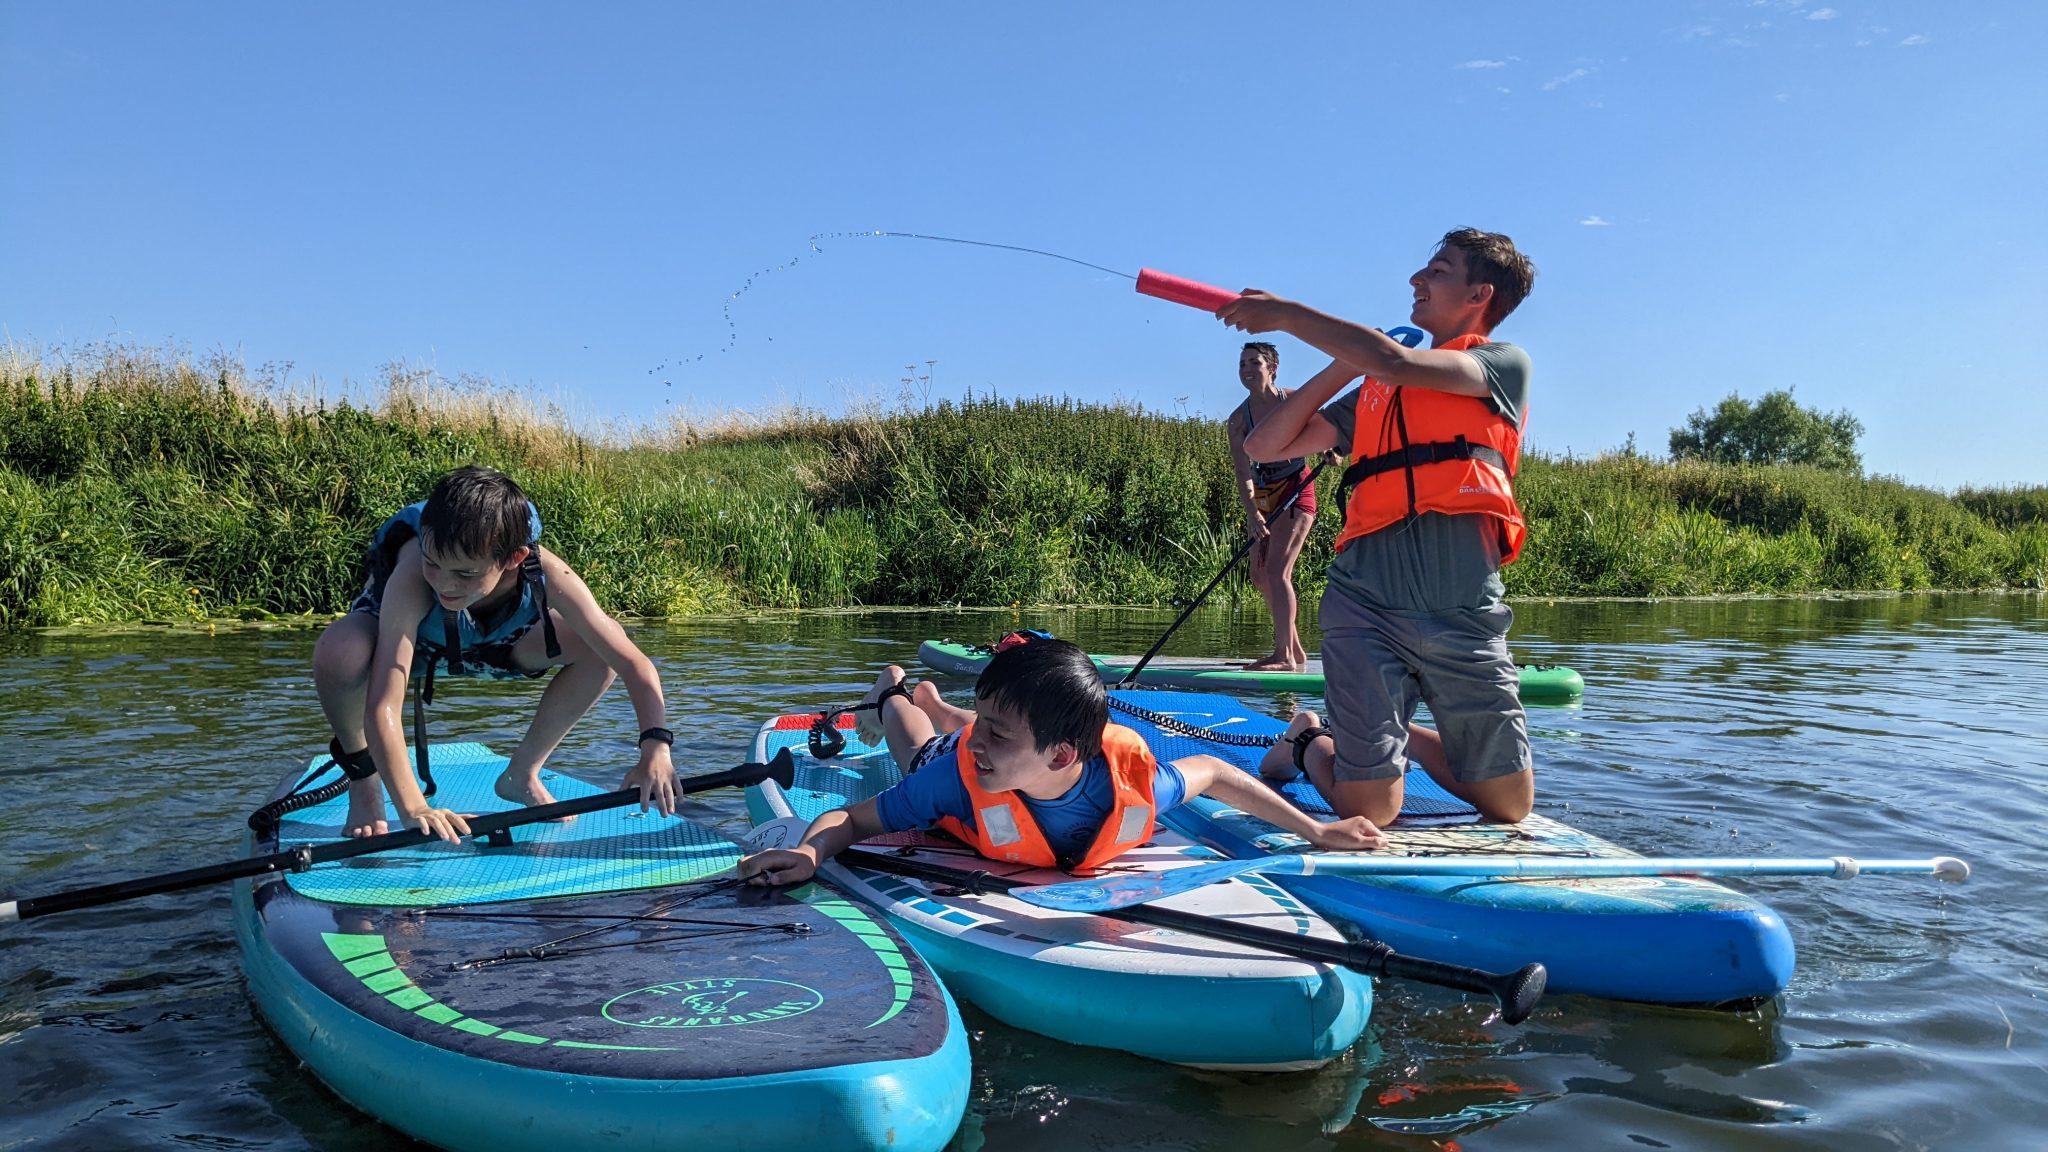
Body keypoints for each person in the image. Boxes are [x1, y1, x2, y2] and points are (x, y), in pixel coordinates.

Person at [1219, 228, 1538, 826]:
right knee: (1371, 810)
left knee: (1509, 805)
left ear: (1479, 295)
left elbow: (1396, 359)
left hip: (1463, 606)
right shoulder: (1376, 390)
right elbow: (1266, 444)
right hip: (1366, 600)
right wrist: (1344, 366)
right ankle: (1311, 741)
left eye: (1437, 271)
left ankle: (1396, 737)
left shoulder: (1502, 364)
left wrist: (1287, 315)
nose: (1416, 280)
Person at [736, 639, 1384, 887]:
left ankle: (944, 706)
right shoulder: (956, 780)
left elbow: (1215, 774)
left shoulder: (1129, 786)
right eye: (986, 724)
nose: (983, 747)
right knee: (911, 742)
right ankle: (899, 693)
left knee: (976, 735)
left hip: (1026, 761)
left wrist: (1318, 831)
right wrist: (812, 853)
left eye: (998, 730)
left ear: (1065, 754)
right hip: (934, 758)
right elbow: (851, 817)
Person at [310, 465, 677, 842]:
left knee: (604, 644)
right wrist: (414, 807)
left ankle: (521, 774)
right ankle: (363, 779)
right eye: (432, 563)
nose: (445, 584)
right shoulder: (412, 578)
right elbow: (383, 706)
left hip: (501, 644)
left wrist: (656, 745)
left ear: (514, 558)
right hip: (418, 647)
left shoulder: (547, 572)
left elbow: (634, 663)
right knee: (340, 650)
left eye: (465, 574)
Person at [1228, 341, 1319, 672]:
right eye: (1242, 364)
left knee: (1279, 570)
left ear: (1272, 369)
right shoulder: (1239, 420)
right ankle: (1294, 650)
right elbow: (1242, 472)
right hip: (1263, 496)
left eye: (1254, 363)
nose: (1247, 369)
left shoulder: (1295, 401)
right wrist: (1252, 512)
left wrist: (1334, 449)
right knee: (1259, 575)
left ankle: (1283, 656)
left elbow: (1330, 432)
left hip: (1297, 487)